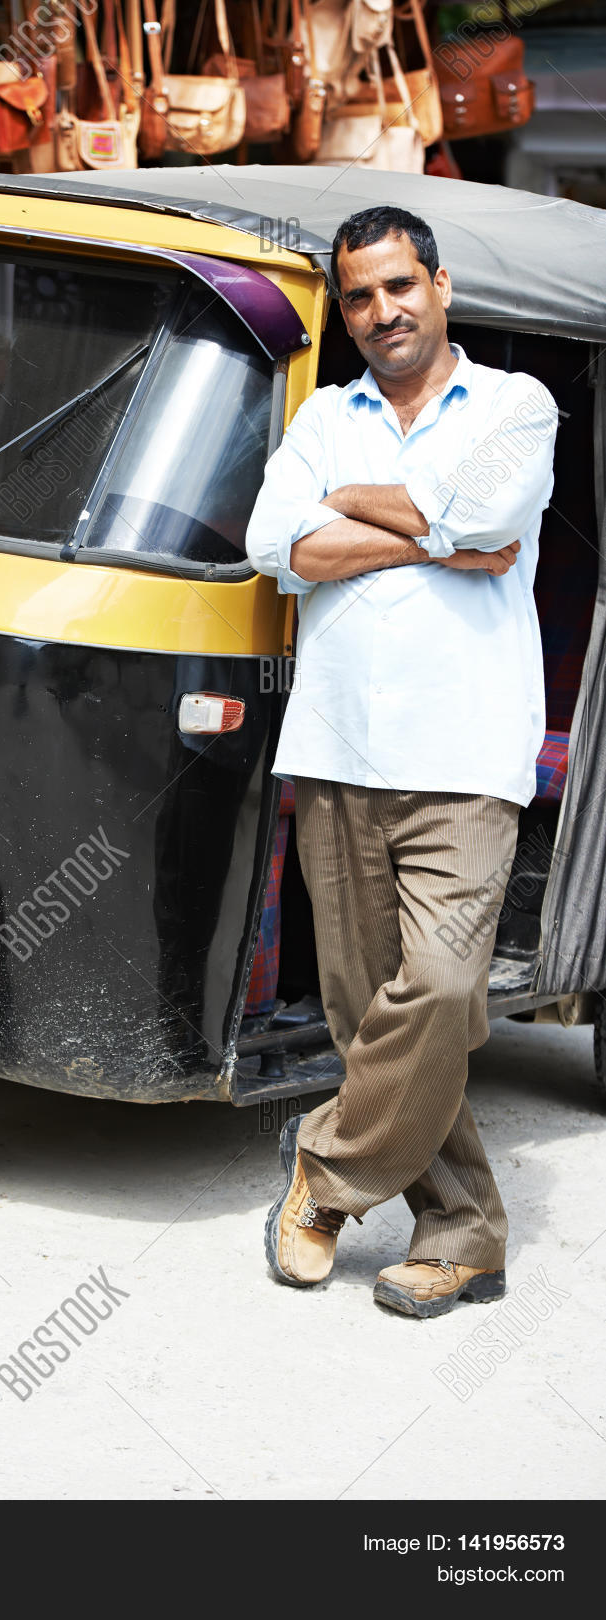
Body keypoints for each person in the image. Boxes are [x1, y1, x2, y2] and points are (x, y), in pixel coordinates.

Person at [245, 205, 558, 1319]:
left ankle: (323, 1176)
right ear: (345, 311)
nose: (381, 311)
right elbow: (272, 543)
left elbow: (488, 512)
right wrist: (434, 536)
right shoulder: (324, 417)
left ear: (439, 286)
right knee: (365, 1015)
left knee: (438, 990)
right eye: (360, 296)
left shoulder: (516, 405)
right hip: (336, 749)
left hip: (464, 755)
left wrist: (345, 512)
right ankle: (464, 1235)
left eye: (398, 285)